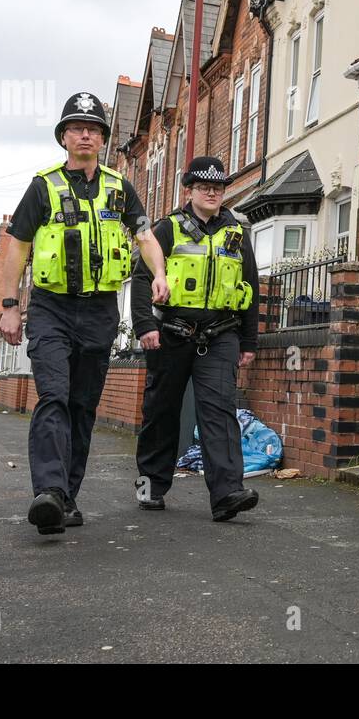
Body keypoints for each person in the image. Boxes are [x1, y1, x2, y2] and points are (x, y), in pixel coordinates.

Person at [0, 92, 169, 535]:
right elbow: (17, 247)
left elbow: (145, 236)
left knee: (82, 406)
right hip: (52, 308)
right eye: (77, 128)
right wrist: (11, 307)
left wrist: (160, 274)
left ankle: (66, 498)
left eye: (93, 128)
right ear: (63, 137)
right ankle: (49, 493)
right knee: (53, 395)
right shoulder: (43, 186)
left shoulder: (119, 188)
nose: (85, 134)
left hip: (99, 311)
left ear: (103, 138)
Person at [131, 155, 260, 522]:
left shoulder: (237, 233)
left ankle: (227, 494)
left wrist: (248, 342)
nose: (211, 193)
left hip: (221, 336)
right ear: (190, 190)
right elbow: (142, 279)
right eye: (204, 187)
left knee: (219, 412)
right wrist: (145, 326)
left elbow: (250, 286)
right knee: (162, 412)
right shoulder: (167, 228)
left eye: (218, 188)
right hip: (171, 333)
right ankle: (150, 487)